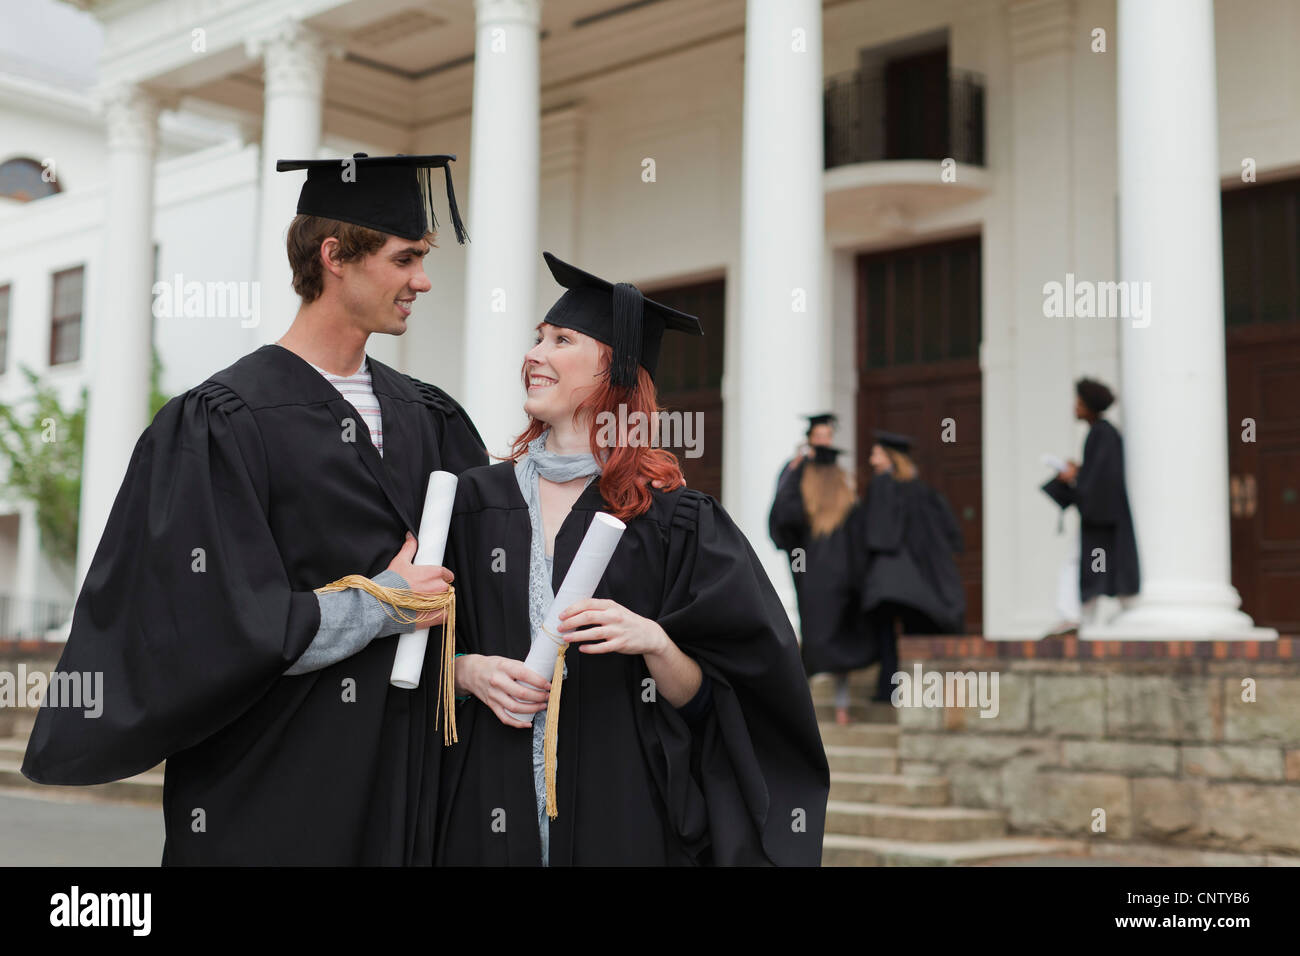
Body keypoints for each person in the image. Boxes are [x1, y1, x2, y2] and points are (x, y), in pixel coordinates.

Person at [22, 153, 487, 864]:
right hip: (273, 775)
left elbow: (480, 579)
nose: (422, 280)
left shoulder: (430, 416)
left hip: (404, 769)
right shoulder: (222, 421)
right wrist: (384, 603)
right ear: (336, 256)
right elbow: (205, 619)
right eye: (405, 259)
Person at [437, 251, 828, 866]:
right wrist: (465, 671)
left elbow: (718, 699)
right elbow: (412, 648)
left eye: (561, 340)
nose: (533, 354)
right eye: (536, 338)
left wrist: (655, 641)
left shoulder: (673, 519)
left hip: (623, 817)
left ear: (613, 373)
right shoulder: (472, 502)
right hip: (482, 805)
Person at [769, 443, 875, 725]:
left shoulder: (806, 512)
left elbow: (782, 517)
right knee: (842, 645)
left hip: (814, 586)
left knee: (813, 648)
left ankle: (798, 708)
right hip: (844, 584)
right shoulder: (849, 508)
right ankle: (841, 708)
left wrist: (793, 471)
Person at [859, 430, 965, 702]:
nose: (872, 460)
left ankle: (889, 691)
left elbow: (878, 535)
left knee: (887, 637)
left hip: (888, 579)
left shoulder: (883, 485)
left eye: (876, 454)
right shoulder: (923, 491)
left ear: (890, 458)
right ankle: (912, 692)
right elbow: (948, 536)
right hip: (915, 580)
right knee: (913, 635)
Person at [1040, 377, 1140, 634]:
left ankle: (1073, 618)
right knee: (1087, 566)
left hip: (1102, 517)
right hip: (1102, 516)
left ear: (1088, 404)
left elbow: (1101, 480)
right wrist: (1078, 474)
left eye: (1079, 401)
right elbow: (1096, 475)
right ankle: (1077, 619)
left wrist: (1074, 478)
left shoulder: (1103, 434)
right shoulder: (1101, 434)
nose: (1074, 406)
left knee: (1085, 564)